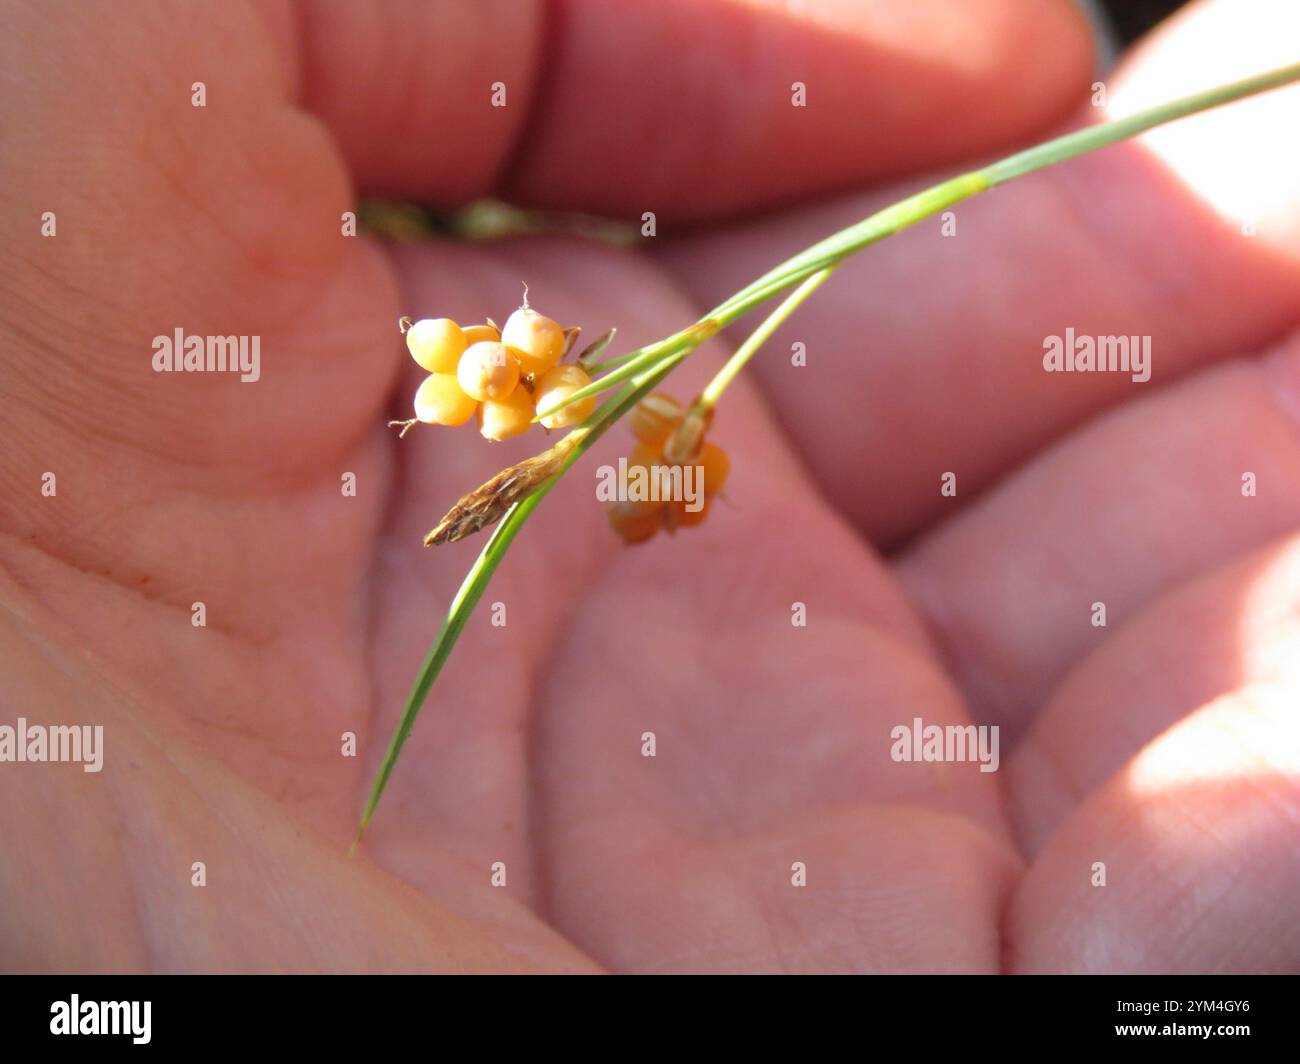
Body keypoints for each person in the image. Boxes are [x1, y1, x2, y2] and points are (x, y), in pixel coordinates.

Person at [1, 0, 1296, 973]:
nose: (500, 397)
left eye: (519, 390)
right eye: (511, 392)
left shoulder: (630, 414)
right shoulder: (623, 420)